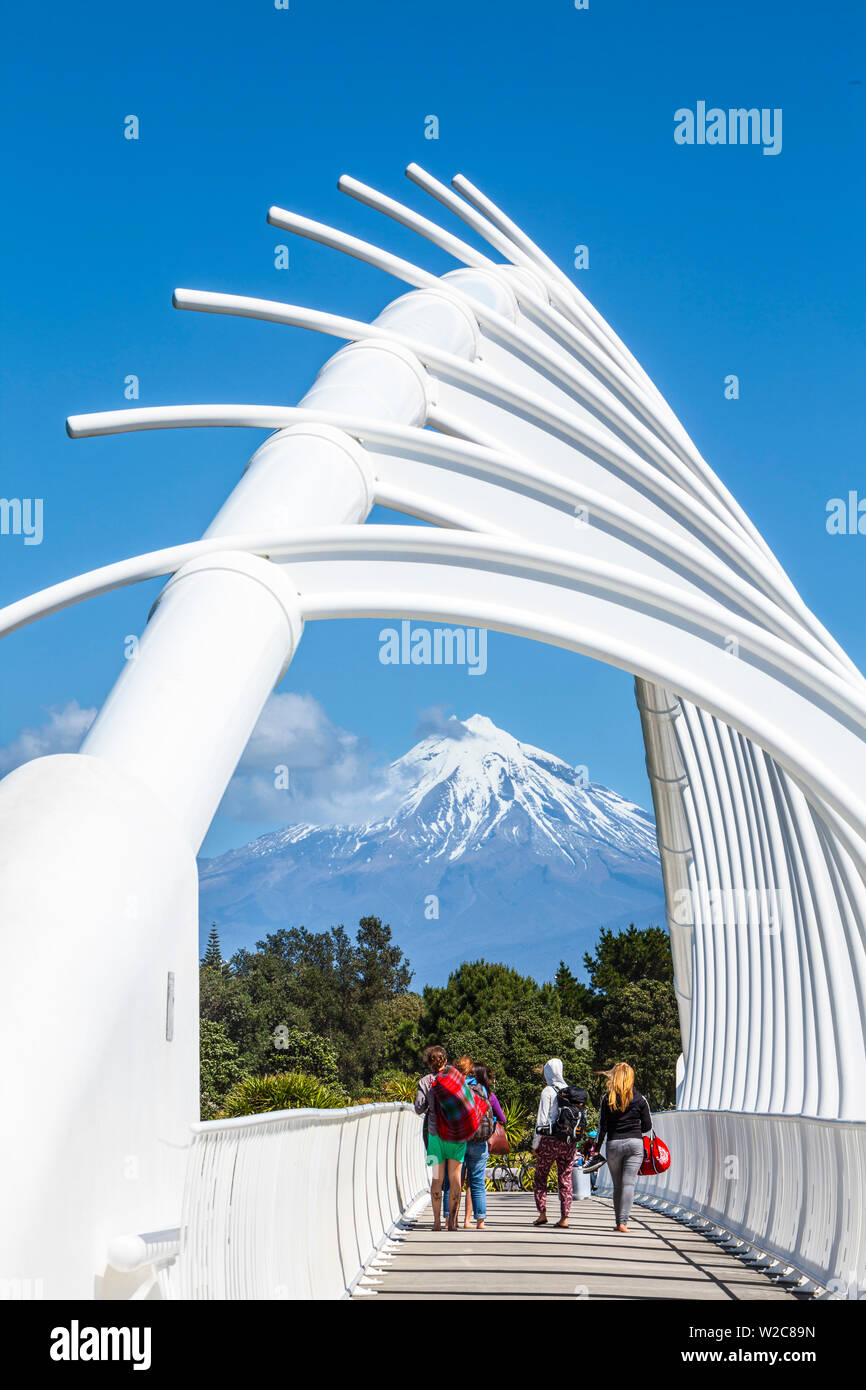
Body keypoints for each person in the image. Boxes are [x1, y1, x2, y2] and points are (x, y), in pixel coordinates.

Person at [596, 1062, 652, 1233]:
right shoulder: (640, 1098)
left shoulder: (607, 1099)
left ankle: (618, 1222)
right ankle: (623, 1223)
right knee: (628, 1184)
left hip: (613, 1144)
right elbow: (647, 1126)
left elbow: (602, 1127)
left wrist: (597, 1149)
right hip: (634, 1144)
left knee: (618, 1186)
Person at [414, 1045, 461, 1231]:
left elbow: (418, 1107)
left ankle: (436, 1223)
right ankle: (452, 1222)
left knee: (437, 1179)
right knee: (455, 1178)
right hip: (457, 1136)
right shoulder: (456, 1078)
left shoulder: (425, 1082)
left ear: (429, 1063)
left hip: (435, 1135)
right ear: (446, 1061)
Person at [457, 1062, 506, 1230]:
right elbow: (503, 1119)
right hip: (480, 1141)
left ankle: (452, 1219)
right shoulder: (488, 1094)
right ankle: (477, 1221)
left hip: (461, 1140)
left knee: (457, 1180)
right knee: (476, 1181)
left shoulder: (461, 1090)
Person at [531, 1057, 577, 1228]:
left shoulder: (548, 1091)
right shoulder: (570, 1091)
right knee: (565, 1178)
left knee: (541, 1177)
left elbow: (541, 1121)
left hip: (549, 1141)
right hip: (569, 1142)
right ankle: (565, 1217)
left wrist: (536, 1145)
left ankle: (542, 1213)